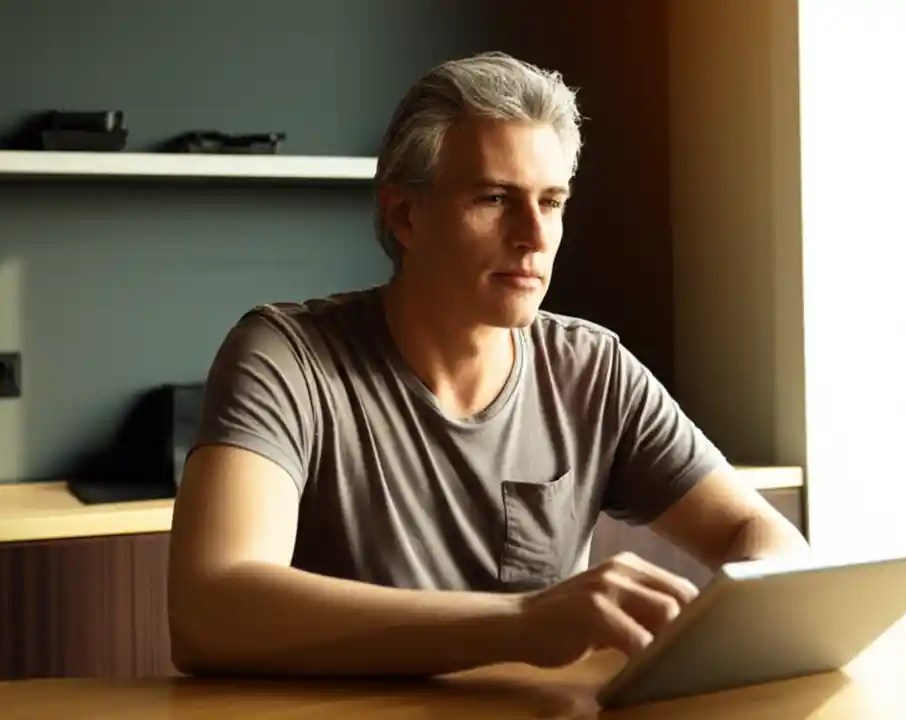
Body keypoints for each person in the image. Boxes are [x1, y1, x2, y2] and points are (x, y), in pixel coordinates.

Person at [167, 51, 808, 678]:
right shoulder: (286, 357)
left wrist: (712, 638)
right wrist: (523, 622)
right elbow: (210, 611)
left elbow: (761, 532)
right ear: (404, 214)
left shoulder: (593, 370)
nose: (532, 234)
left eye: (552, 201)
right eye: (496, 199)